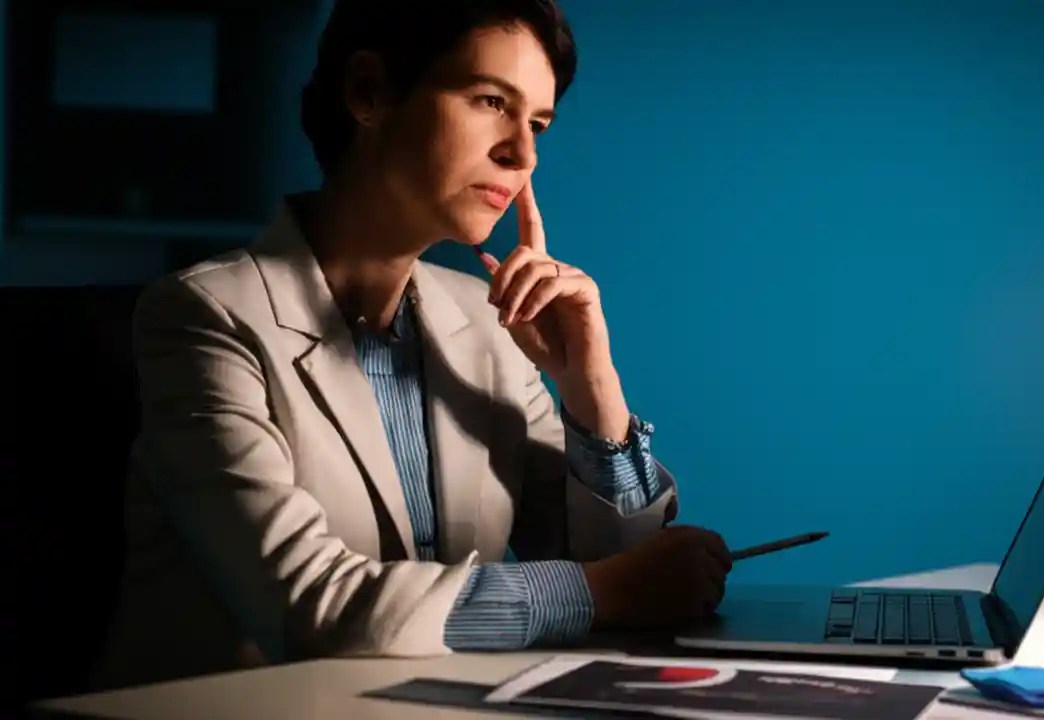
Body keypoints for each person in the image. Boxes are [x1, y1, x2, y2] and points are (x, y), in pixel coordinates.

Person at [93, 0, 732, 690]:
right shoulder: (206, 314)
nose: (523, 154)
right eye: (492, 101)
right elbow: (312, 607)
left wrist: (589, 380)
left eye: (538, 124)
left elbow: (630, 567)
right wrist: (601, 593)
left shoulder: (485, 321)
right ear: (369, 92)